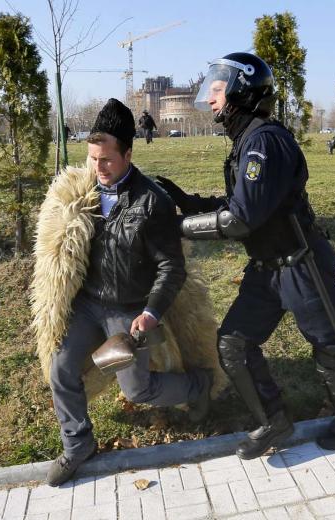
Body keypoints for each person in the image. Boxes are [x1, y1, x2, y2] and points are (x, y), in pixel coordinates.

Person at [156, 53, 335, 460]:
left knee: (330, 348)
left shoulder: (265, 141)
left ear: (241, 90)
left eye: (218, 90)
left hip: (302, 264)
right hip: (266, 269)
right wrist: (188, 203)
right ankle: (272, 419)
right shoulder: (245, 141)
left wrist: (179, 227)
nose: (212, 99)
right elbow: (240, 202)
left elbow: (241, 219)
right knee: (233, 345)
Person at [32, 98, 223, 486]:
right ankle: (77, 444)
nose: (98, 169)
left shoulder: (152, 202)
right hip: (89, 304)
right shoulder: (80, 192)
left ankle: (200, 385)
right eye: (92, 159)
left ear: (128, 154)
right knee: (61, 369)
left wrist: (151, 312)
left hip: (129, 308)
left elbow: (172, 267)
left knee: (139, 389)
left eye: (106, 160)